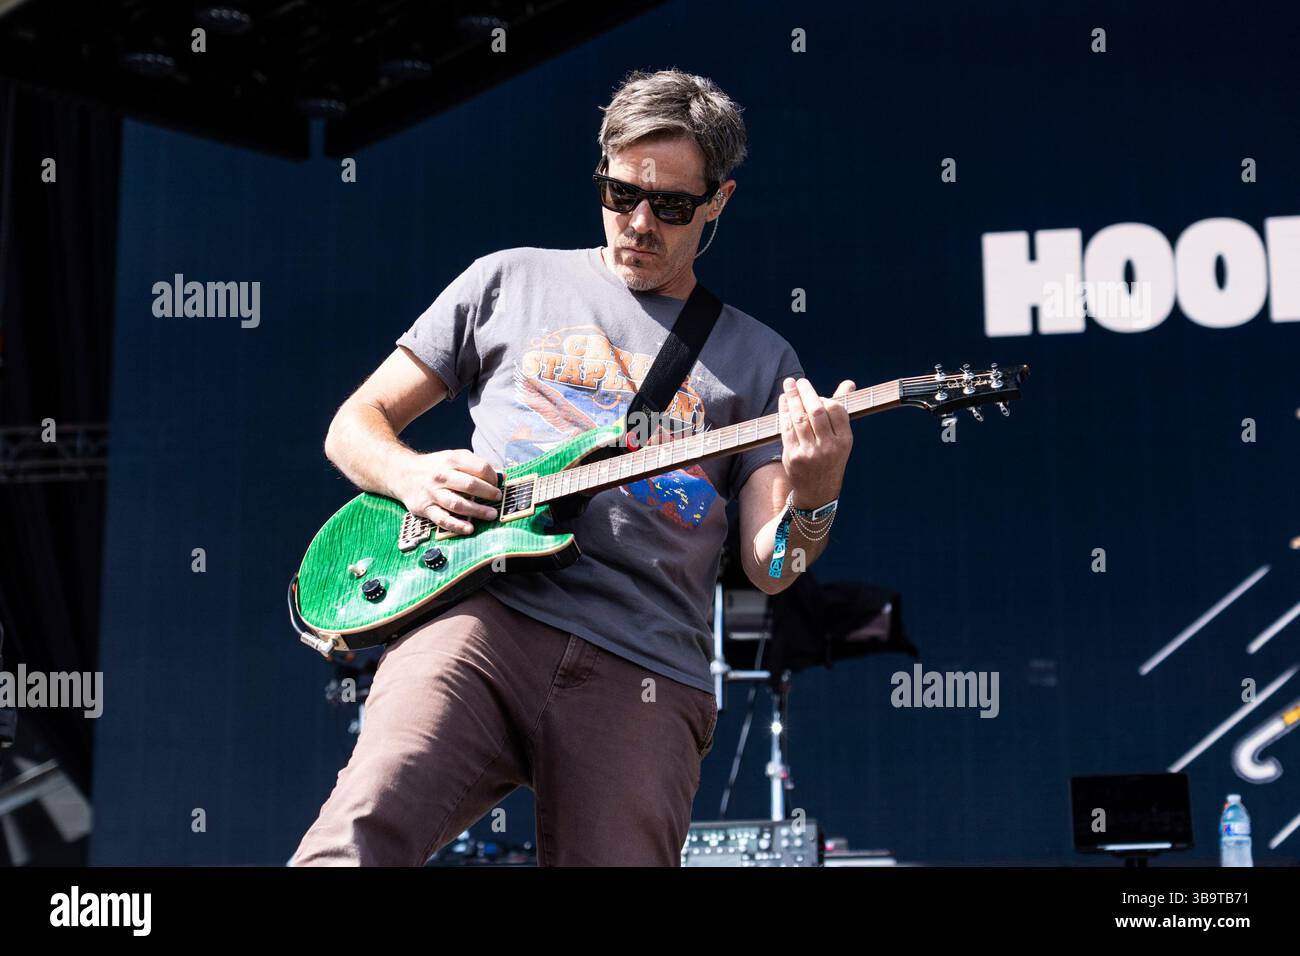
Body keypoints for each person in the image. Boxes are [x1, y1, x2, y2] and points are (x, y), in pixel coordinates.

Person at [291, 68, 855, 866]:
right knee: (362, 826)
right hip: (482, 614)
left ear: (719, 203)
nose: (639, 223)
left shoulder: (761, 360)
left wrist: (817, 497)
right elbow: (354, 425)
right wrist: (412, 476)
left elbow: (773, 568)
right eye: (620, 193)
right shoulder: (507, 279)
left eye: (671, 206)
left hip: (645, 662)